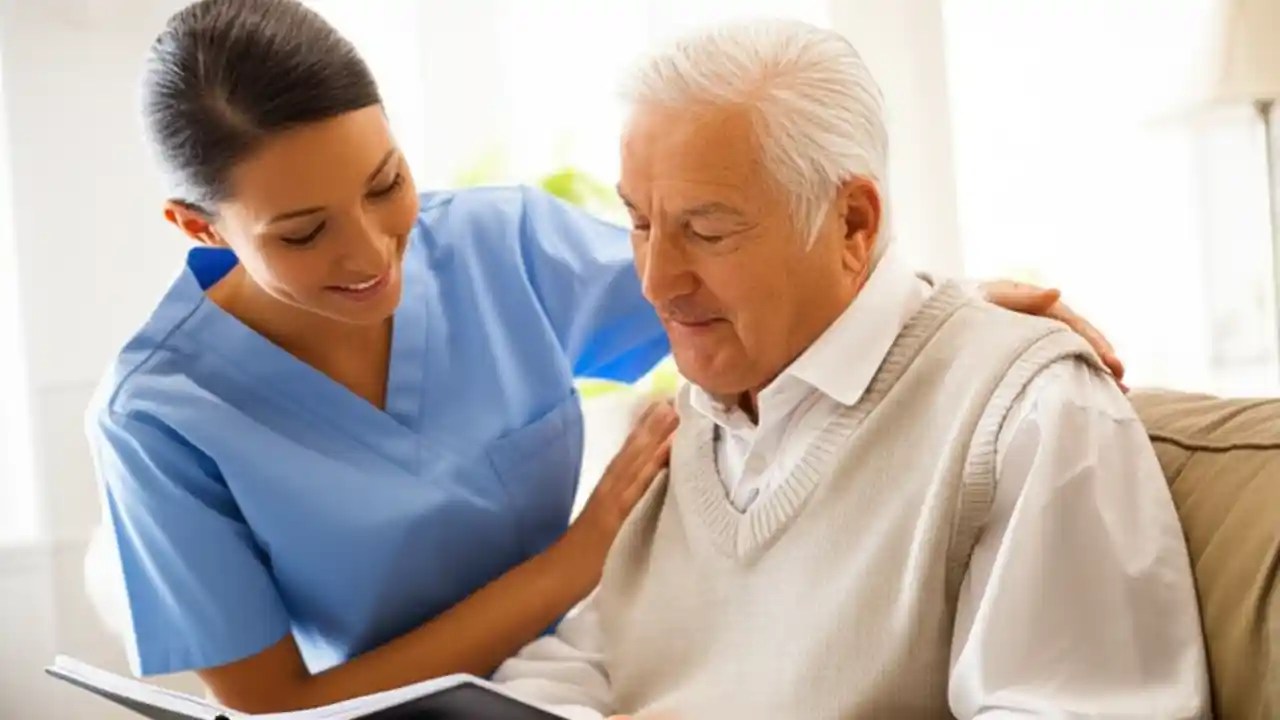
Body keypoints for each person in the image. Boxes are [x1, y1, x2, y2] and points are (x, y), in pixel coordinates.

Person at [87, 0, 1124, 714]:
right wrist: (573, 563)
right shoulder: (158, 414)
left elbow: (763, 295)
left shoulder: (497, 248)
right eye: (304, 232)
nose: (370, 253)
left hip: (565, 669)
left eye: (385, 182)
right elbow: (275, 708)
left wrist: (946, 312)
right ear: (199, 226)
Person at [493, 19, 1210, 720]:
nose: (655, 282)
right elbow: (570, 672)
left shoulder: (1031, 413)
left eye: (706, 231)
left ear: (853, 223)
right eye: (641, 224)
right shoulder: (684, 436)